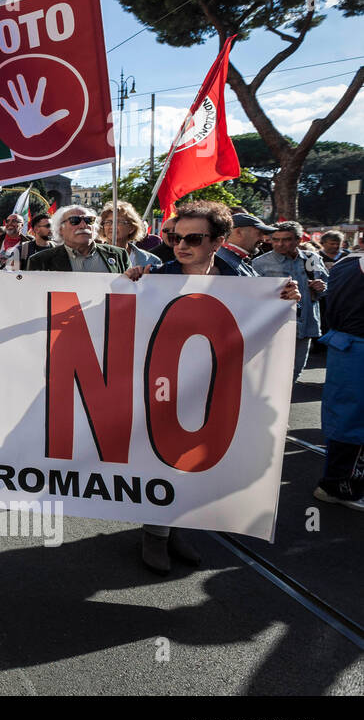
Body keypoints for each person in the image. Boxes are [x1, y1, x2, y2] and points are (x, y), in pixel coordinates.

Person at [124, 201, 299, 573]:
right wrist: (129, 284)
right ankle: (154, 534)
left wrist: (285, 300)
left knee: (197, 461)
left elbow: (262, 323)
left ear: (218, 241)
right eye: (175, 237)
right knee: (164, 458)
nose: (181, 245)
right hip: (165, 385)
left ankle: (176, 529)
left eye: (194, 238)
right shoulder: (155, 276)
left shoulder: (243, 279)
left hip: (217, 386)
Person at [316, 249, 364, 510]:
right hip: (356, 348)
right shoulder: (353, 263)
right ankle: (338, 485)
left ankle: (340, 482)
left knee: (347, 417)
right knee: (352, 421)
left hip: (346, 345)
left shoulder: (347, 261)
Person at [252, 221, 328, 384]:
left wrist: (322, 287)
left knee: (295, 372)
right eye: (275, 239)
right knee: (271, 373)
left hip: (306, 324)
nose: (279, 244)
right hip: (276, 327)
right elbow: (253, 299)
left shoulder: (311, 258)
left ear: (298, 240)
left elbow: (326, 286)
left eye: (286, 239)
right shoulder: (259, 263)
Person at [26, 206, 130, 273]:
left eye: (89, 220)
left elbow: (130, 291)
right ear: (60, 229)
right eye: (74, 220)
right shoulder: (40, 261)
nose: (83, 225)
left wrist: (136, 277)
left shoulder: (119, 255)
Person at [98, 201, 161, 270]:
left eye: (119, 222)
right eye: (108, 222)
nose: (112, 226)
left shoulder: (151, 261)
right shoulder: (92, 257)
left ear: (132, 228)